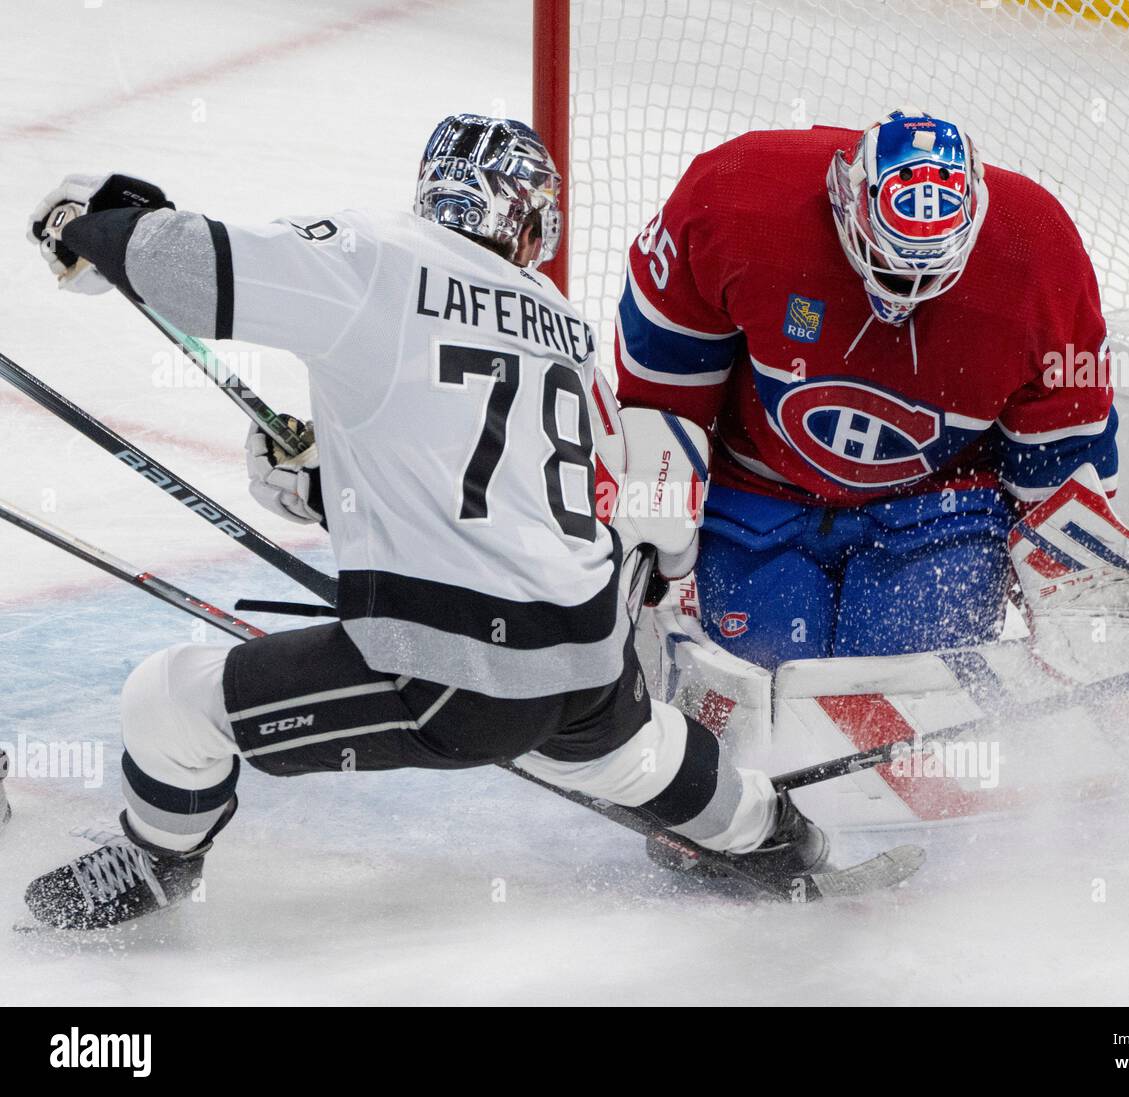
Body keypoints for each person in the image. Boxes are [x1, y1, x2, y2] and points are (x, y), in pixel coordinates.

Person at [20, 115, 829, 930]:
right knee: (636, 750)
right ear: (526, 216)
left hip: (451, 676)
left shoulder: (377, 256)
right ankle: (776, 834)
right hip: (592, 665)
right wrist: (331, 480)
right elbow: (521, 484)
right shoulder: (562, 326)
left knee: (166, 701)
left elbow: (189, 268)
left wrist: (101, 223)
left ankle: (157, 859)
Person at [614, 108, 1118, 671]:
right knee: (760, 684)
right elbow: (662, 395)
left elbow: (1061, 456)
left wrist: (1078, 588)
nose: (908, 290)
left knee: (903, 710)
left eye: (931, 273)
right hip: (756, 492)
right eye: (893, 264)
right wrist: (658, 529)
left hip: (941, 510)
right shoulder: (738, 196)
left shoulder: (1040, 252)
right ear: (848, 199)